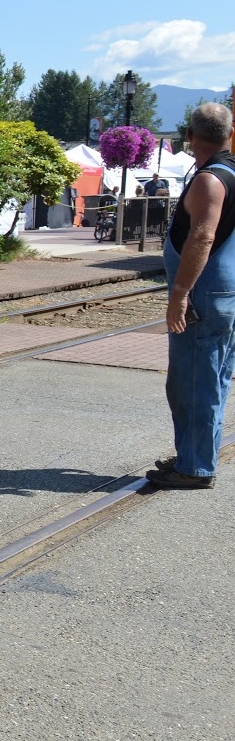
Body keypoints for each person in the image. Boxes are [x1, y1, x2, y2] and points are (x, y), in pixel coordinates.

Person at [150, 102, 235, 489]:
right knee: (213, 379)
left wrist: (180, 293)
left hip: (204, 293)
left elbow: (202, 236)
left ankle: (195, 467)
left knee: (193, 383)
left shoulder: (209, 180)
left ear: (189, 135)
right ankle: (195, 455)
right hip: (224, 291)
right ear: (230, 133)